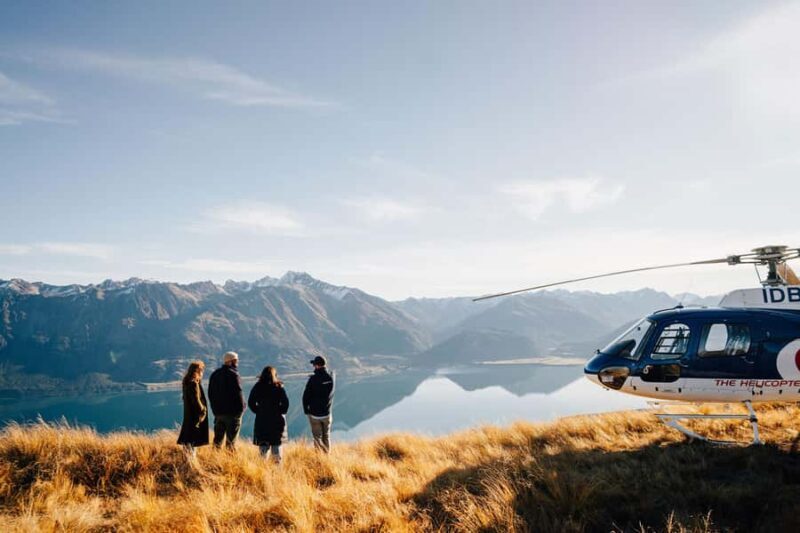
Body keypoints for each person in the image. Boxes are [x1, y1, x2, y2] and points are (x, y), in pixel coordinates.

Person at [248, 366, 289, 463]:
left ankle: (262, 471)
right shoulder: (278, 387)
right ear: (274, 375)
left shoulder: (257, 387)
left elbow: (251, 402)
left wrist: (258, 411)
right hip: (276, 421)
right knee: (276, 446)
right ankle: (277, 472)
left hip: (262, 421)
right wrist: (280, 411)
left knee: (263, 448)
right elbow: (285, 404)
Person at [208, 351, 245, 449]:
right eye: (236, 360)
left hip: (218, 413)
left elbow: (210, 394)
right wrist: (241, 410)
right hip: (233, 414)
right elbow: (239, 393)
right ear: (231, 361)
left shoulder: (215, 374)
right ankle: (229, 463)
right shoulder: (234, 375)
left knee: (217, 441)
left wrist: (215, 410)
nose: (237, 363)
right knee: (231, 442)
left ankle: (213, 461)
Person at [177, 360, 209, 459]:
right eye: (202, 370)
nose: (202, 373)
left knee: (188, 442)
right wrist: (203, 410)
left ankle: (188, 463)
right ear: (198, 371)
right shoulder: (193, 384)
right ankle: (191, 466)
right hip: (194, 417)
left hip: (188, 416)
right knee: (192, 442)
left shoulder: (186, 382)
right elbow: (196, 401)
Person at [302, 355, 334, 453]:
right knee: (326, 436)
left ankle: (319, 458)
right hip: (327, 413)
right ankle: (327, 456)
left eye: (314, 365)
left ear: (316, 366)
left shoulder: (312, 380)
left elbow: (305, 396)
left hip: (314, 414)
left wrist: (306, 410)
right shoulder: (331, 377)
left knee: (317, 437)